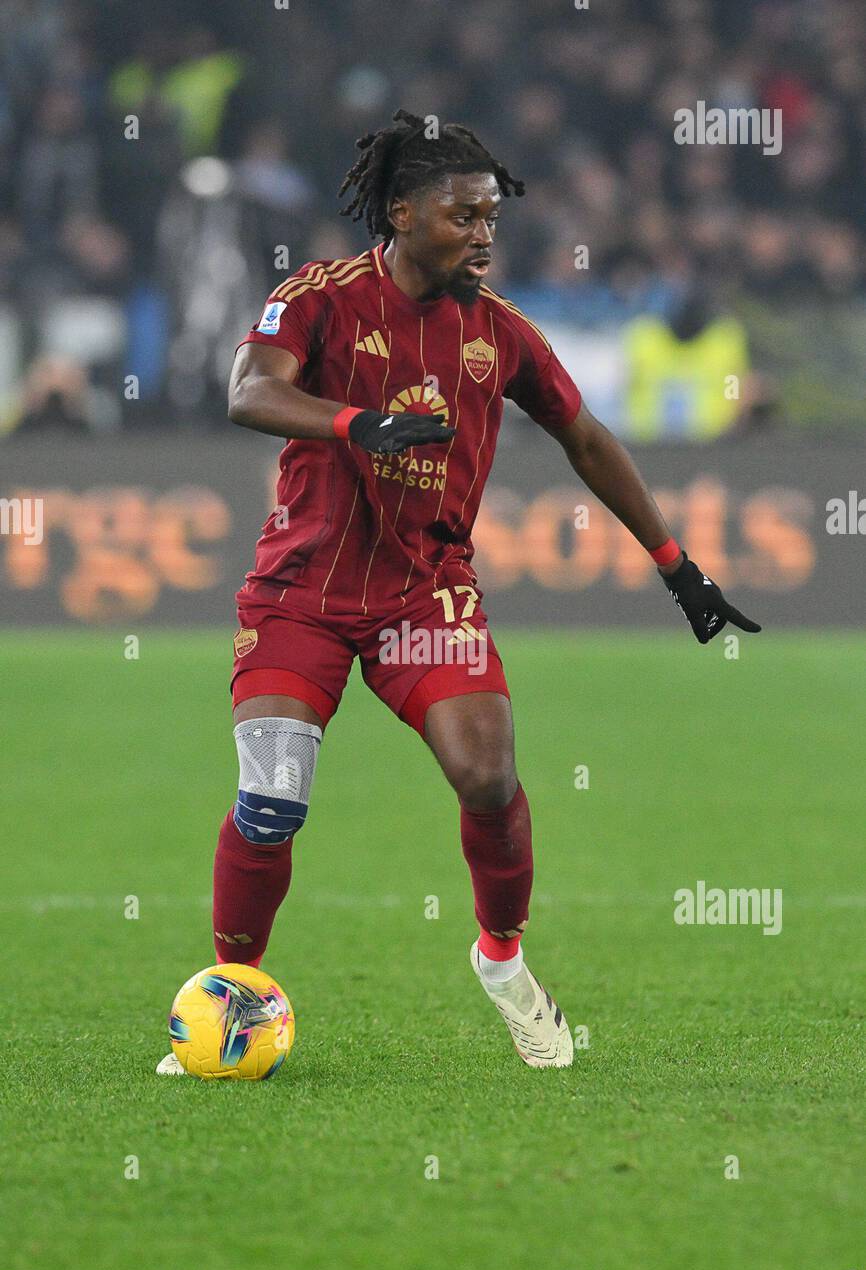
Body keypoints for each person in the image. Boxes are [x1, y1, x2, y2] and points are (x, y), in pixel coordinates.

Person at [158, 110, 760, 1075]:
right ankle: (232, 992)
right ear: (399, 213)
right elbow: (247, 391)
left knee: (488, 779)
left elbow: (589, 441)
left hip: (422, 599)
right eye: (463, 214)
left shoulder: (500, 335)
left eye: (491, 217)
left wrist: (675, 562)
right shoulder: (319, 298)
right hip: (299, 593)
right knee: (272, 799)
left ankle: (503, 961)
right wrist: (358, 425)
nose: (484, 233)